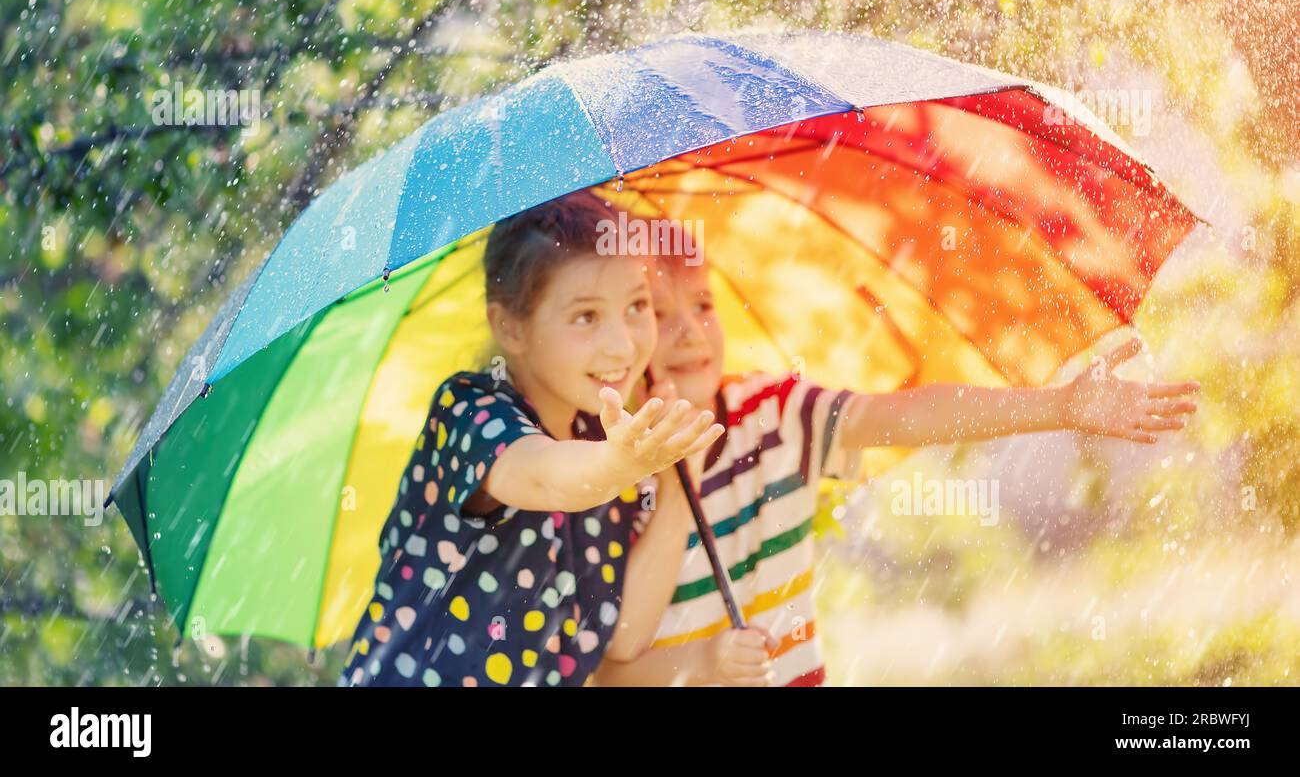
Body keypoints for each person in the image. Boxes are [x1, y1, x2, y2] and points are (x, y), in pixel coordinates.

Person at [596, 223, 1200, 686]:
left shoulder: (773, 412)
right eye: (655, 312)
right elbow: (612, 668)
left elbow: (912, 415)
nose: (689, 333)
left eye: (702, 305)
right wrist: (702, 660)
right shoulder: (601, 467)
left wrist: (1059, 407)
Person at [338, 192, 723, 686]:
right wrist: (623, 463)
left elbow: (623, 637)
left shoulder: (603, 433)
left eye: (637, 305)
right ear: (510, 327)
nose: (623, 344)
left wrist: (675, 475)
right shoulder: (471, 411)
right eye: (586, 316)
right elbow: (544, 476)